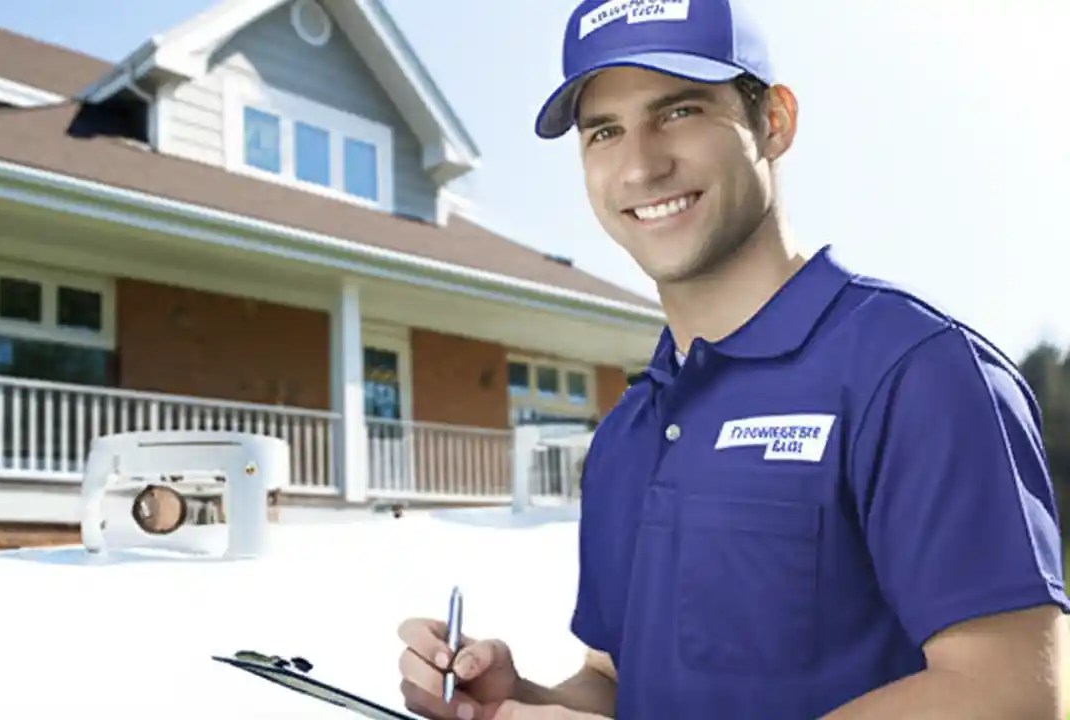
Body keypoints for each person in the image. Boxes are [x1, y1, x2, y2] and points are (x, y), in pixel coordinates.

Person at [395, 0, 1070, 718]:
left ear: (773, 122)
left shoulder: (916, 371)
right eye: (605, 131)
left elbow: (1013, 695)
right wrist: (515, 702)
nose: (641, 166)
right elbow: (615, 680)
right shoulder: (626, 435)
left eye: (680, 111)